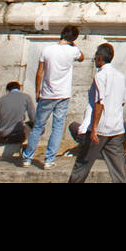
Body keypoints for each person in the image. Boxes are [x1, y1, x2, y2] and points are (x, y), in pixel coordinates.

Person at [21, 23, 84, 170]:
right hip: (63, 94)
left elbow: (39, 72)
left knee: (38, 126)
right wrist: (74, 45)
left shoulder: (47, 49)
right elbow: (82, 57)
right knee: (57, 127)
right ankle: (49, 160)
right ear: (73, 38)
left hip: (47, 93)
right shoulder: (73, 51)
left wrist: (37, 90)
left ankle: (27, 158)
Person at [68, 43, 126, 183]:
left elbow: (99, 103)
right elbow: (124, 99)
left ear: (100, 58)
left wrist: (94, 128)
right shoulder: (120, 76)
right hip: (116, 128)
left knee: (82, 165)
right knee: (119, 170)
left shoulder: (100, 76)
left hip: (101, 128)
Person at [0, 81, 34, 157]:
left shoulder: (0, 100)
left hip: (2, 137)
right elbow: (33, 117)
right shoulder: (26, 97)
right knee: (33, 125)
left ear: (7, 90)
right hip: (18, 136)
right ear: (20, 89)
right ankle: (27, 148)